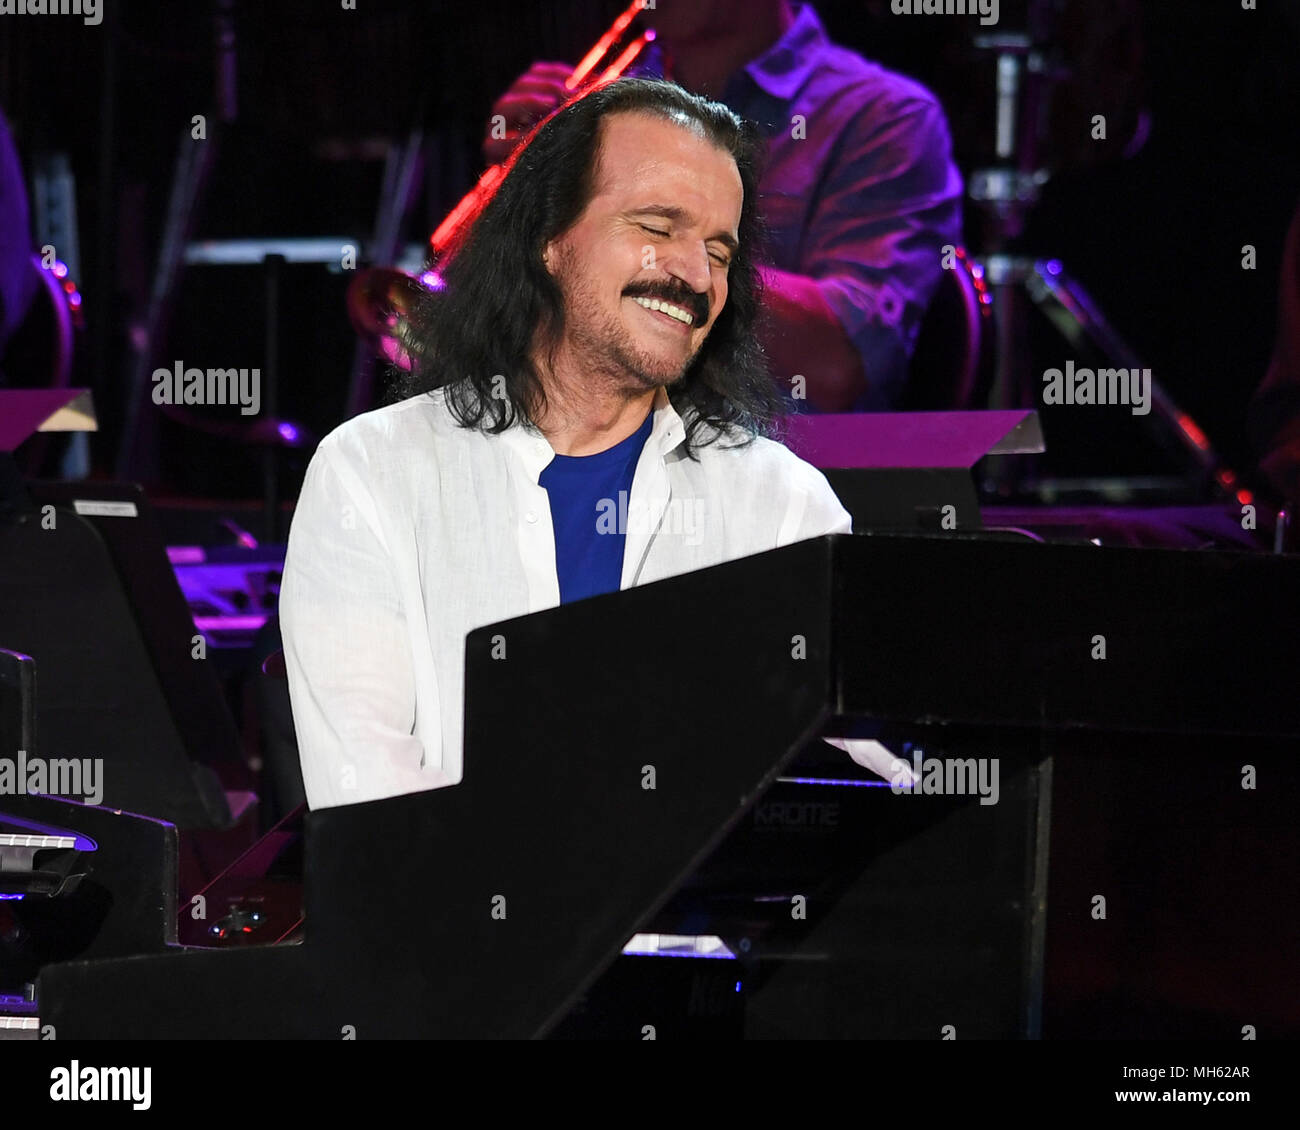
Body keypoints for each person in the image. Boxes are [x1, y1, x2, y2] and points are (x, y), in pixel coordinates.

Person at [280, 79, 855, 810]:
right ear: (551, 238)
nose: (694, 275)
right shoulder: (370, 474)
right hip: (457, 924)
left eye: (718, 249)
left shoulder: (787, 508)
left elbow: (844, 788)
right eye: (656, 226)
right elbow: (370, 811)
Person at [484, 1, 963, 412]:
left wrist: (638, 219)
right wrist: (526, 195)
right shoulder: (598, 103)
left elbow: (841, 362)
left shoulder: (884, 115)